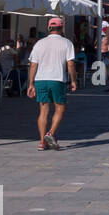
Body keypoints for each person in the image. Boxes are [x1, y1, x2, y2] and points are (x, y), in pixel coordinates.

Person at [27, 17, 78, 150]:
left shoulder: (39, 43)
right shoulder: (67, 43)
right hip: (57, 79)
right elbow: (71, 64)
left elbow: (33, 65)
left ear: (49, 28)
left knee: (43, 110)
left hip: (40, 79)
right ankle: (50, 133)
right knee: (60, 107)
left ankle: (41, 142)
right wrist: (73, 80)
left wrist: (31, 83)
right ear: (61, 29)